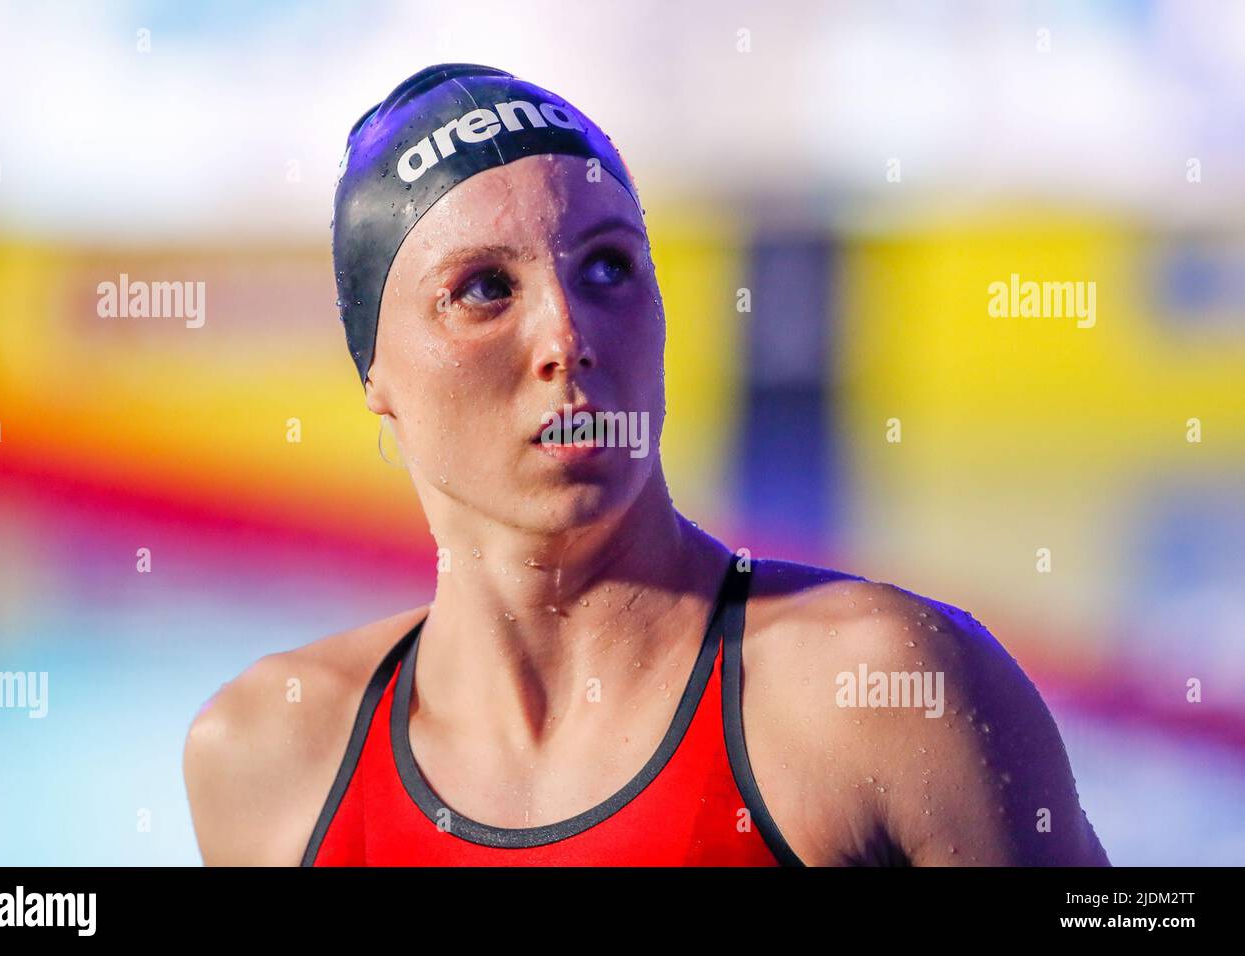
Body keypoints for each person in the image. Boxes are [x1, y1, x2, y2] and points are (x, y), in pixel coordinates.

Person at [183, 63, 1110, 866]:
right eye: (484, 289)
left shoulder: (881, 694)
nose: (567, 335)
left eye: (606, 268)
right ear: (376, 377)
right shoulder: (271, 755)